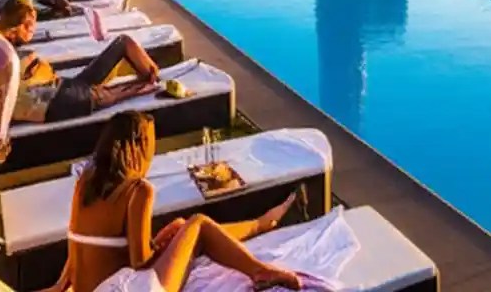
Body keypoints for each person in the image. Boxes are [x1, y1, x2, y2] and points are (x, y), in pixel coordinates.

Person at [44, 112, 302, 292]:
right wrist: (161, 244)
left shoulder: (85, 183)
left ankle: (261, 224)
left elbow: (81, 243)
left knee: (184, 229)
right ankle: (260, 265)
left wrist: (164, 241)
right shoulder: (138, 190)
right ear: (139, 145)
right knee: (198, 224)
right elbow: (140, 261)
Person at [0, 0, 162, 131]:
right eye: (31, 27)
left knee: (122, 43)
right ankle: (152, 84)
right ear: (18, 26)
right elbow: (14, 88)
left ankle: (150, 75)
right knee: (112, 94)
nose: (33, 31)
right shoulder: (5, 55)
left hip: (56, 89)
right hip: (53, 101)